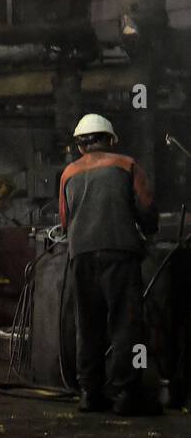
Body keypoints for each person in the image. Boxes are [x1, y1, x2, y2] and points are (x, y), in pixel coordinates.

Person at [58, 113, 159, 414]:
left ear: (80, 146)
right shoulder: (127, 166)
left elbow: (65, 222)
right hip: (120, 254)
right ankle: (127, 395)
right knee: (124, 323)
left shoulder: (68, 174)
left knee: (87, 325)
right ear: (111, 140)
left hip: (82, 255)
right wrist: (148, 232)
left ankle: (90, 394)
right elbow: (147, 209)